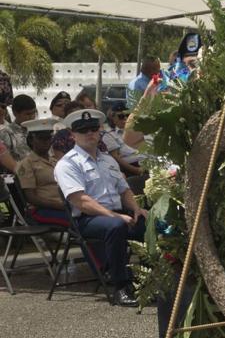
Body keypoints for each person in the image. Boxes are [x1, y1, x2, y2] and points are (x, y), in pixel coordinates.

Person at [53, 109, 147, 307]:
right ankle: (121, 287)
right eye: (83, 130)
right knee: (116, 226)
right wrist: (114, 216)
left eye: (93, 129)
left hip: (115, 214)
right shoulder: (67, 164)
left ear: (100, 131)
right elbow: (81, 201)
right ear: (73, 135)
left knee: (148, 224)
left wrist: (137, 209)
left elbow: (124, 191)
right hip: (87, 219)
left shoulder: (108, 160)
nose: (89, 134)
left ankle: (150, 282)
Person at [14, 117, 70, 226]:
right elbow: (31, 198)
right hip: (41, 210)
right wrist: (61, 205)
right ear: (31, 140)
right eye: (41, 138)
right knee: (82, 221)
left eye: (49, 138)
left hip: (64, 206)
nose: (46, 141)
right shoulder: (26, 164)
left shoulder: (55, 161)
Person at [1, 94, 37, 160]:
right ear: (15, 113)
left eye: (34, 113)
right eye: (28, 114)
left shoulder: (37, 130)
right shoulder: (6, 133)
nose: (32, 117)